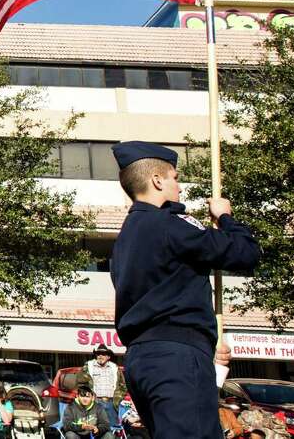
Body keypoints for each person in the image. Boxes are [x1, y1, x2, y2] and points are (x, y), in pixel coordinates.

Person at [110, 141, 260, 439]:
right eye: (175, 178)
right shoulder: (170, 225)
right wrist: (226, 217)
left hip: (142, 359)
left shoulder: (124, 239)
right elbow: (246, 252)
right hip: (176, 358)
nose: (178, 187)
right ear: (157, 180)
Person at [83, 344, 126, 428]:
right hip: (95, 403)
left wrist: (117, 399)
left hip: (111, 403)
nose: (100, 356)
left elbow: (123, 385)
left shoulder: (114, 367)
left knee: (113, 428)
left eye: (103, 354)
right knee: (94, 428)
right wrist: (88, 398)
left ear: (108, 356)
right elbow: (81, 384)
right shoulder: (89, 366)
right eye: (98, 354)